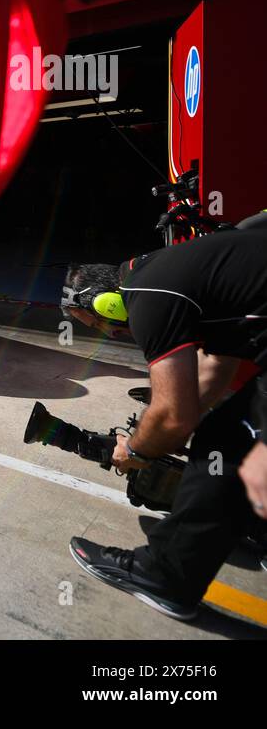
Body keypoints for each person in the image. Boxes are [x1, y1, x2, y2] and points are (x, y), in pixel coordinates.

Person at [62, 224, 267, 621]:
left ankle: (165, 577)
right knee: (229, 434)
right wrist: (155, 430)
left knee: (227, 446)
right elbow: (213, 375)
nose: (105, 333)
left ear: (104, 303)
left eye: (94, 324)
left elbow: (176, 416)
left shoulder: (149, 297)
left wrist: (136, 449)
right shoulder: (168, 275)